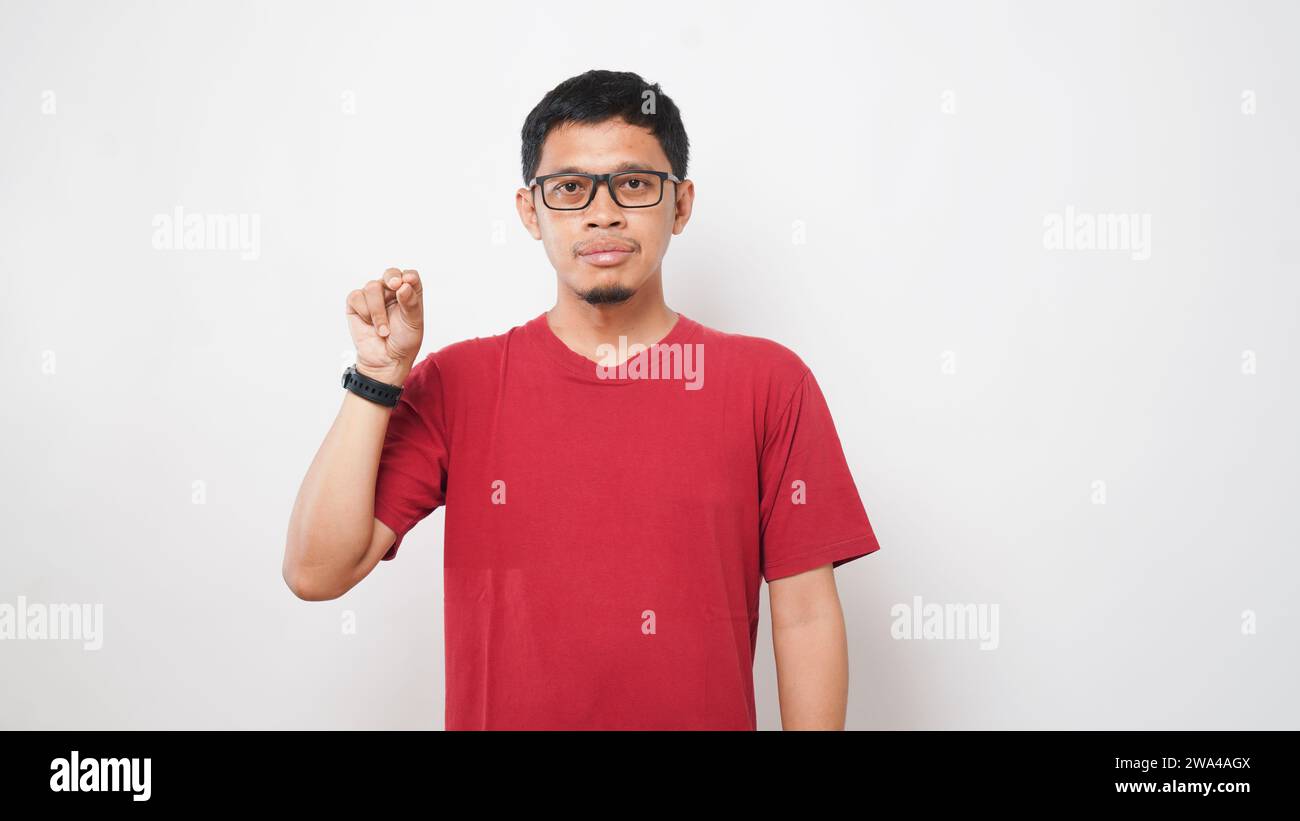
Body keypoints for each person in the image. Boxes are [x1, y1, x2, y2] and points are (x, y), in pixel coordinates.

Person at [283, 69, 882, 730]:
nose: (603, 212)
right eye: (570, 188)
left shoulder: (769, 383)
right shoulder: (461, 383)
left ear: (680, 205)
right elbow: (316, 571)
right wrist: (377, 377)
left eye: (633, 184)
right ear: (529, 211)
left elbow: (804, 614)